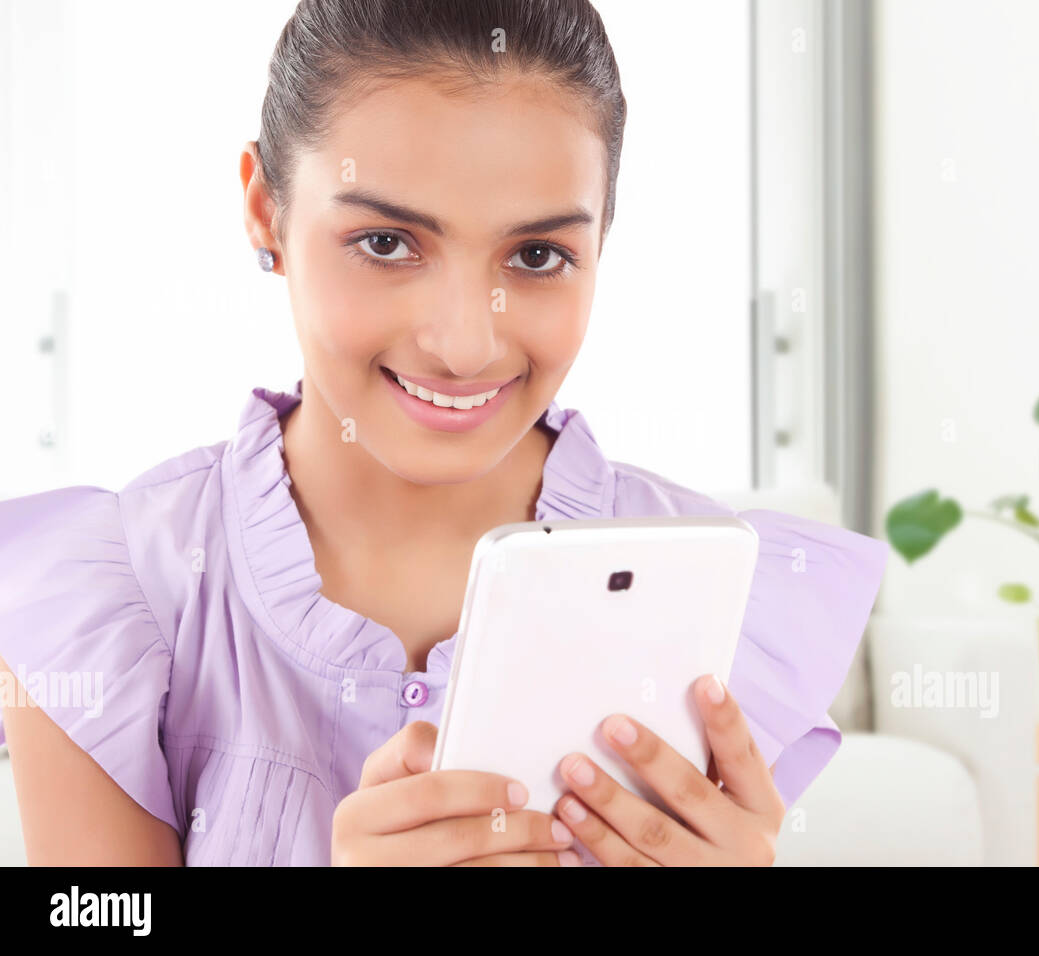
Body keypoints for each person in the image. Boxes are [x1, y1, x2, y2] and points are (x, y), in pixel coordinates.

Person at [0, 0, 886, 866]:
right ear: (266, 209)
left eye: (537, 257)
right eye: (386, 243)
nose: (464, 343)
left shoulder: (720, 604)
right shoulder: (106, 604)